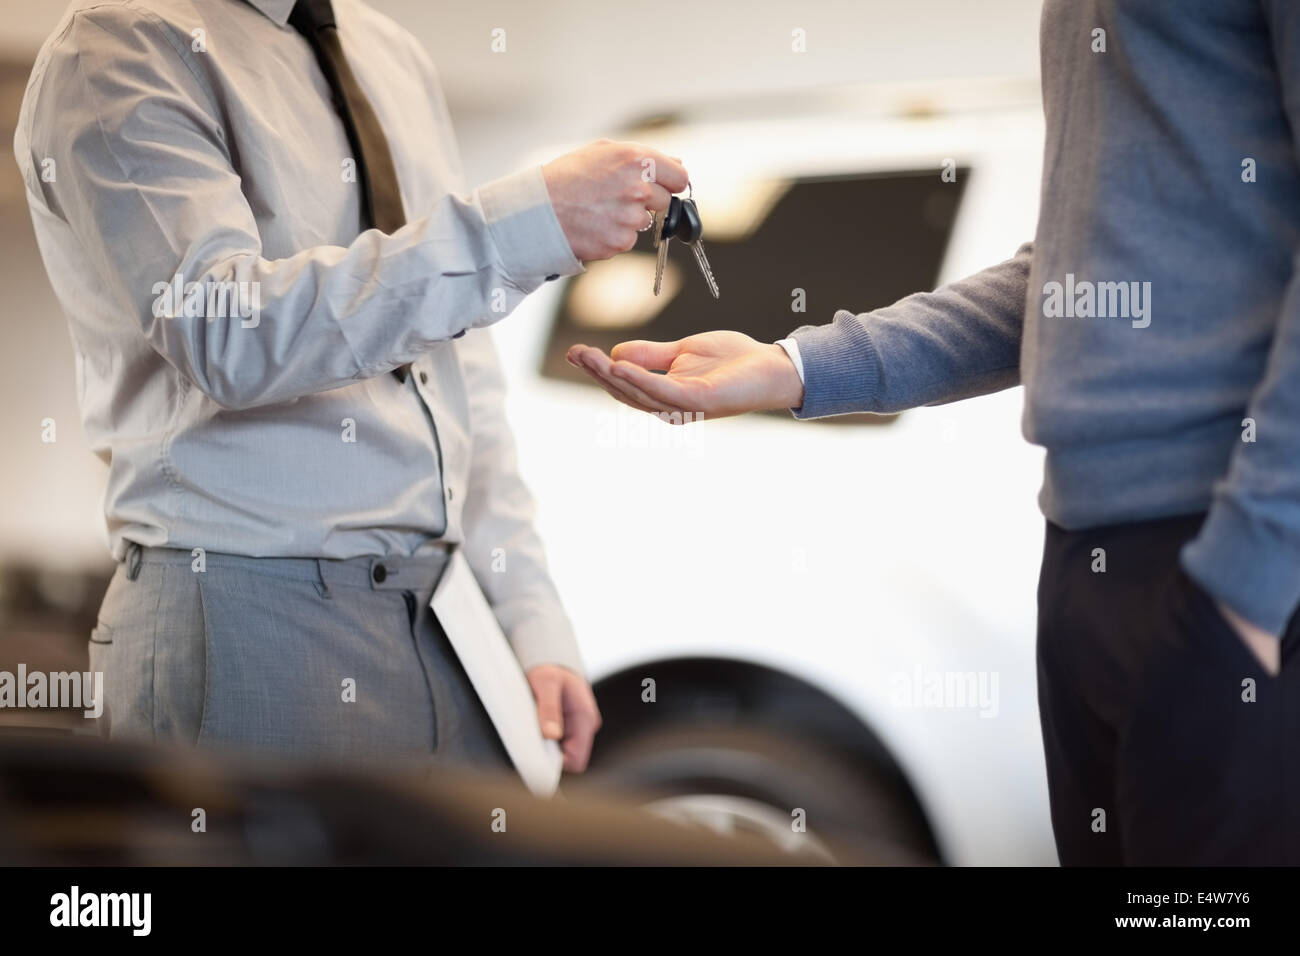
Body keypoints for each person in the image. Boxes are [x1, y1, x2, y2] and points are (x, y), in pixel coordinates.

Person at [569, 0, 1300, 865]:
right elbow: (1073, 273)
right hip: (1090, 559)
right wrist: (796, 366)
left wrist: (1246, 588)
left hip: (1229, 555)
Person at [13, 0, 687, 775]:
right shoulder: (121, 46)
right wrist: (520, 226)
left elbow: (458, 371)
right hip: (247, 621)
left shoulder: (390, 52)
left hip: (449, 621)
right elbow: (223, 331)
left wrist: (530, 618)